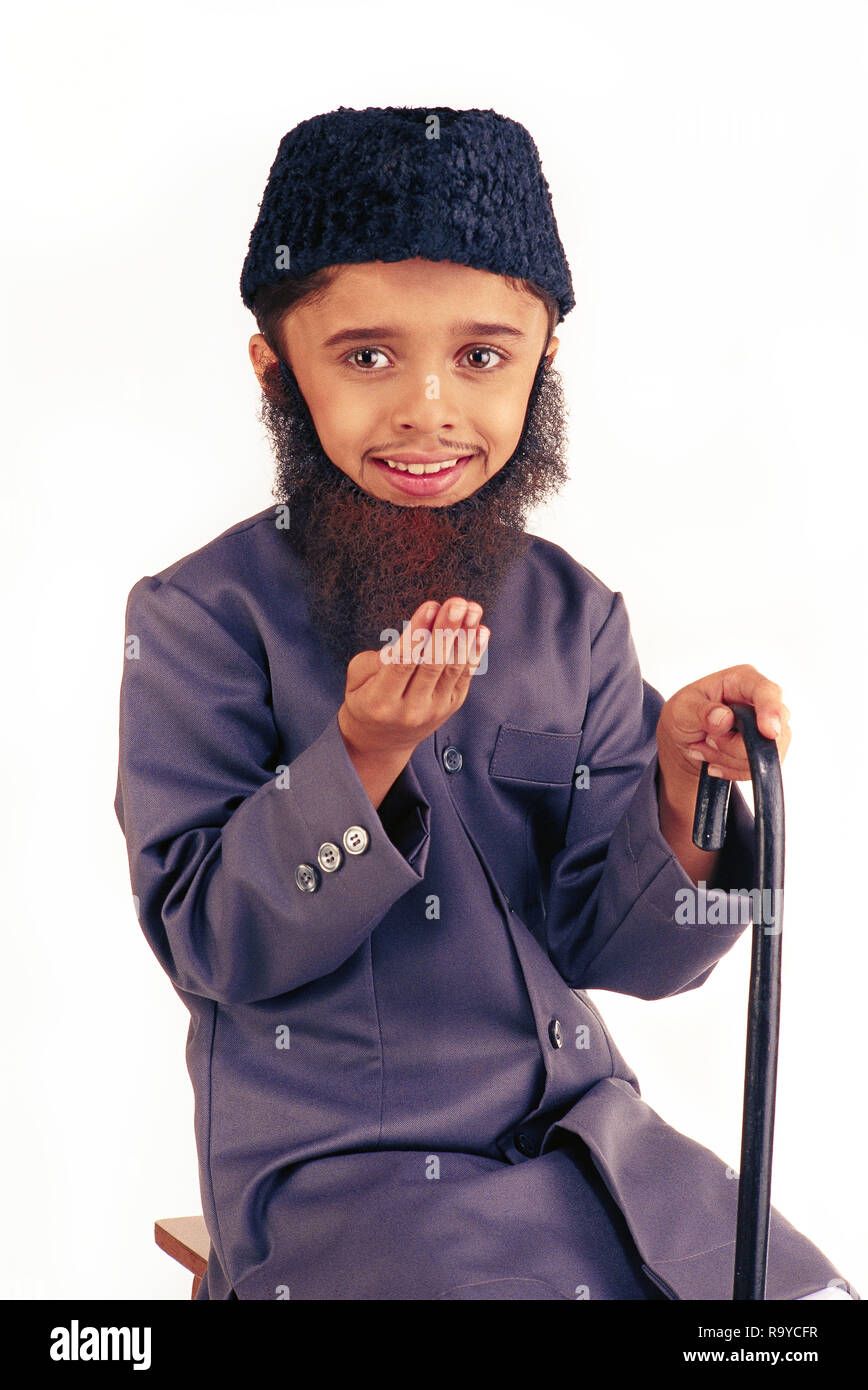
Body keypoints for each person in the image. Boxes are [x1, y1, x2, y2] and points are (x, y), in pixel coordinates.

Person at [114, 106, 857, 1301]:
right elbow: (210, 945)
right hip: (346, 1172)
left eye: (481, 355)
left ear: (543, 360)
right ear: (277, 372)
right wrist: (358, 758)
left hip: (595, 1149)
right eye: (365, 356)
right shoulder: (202, 617)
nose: (426, 407)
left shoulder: (575, 615)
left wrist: (682, 804)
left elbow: (636, 958)